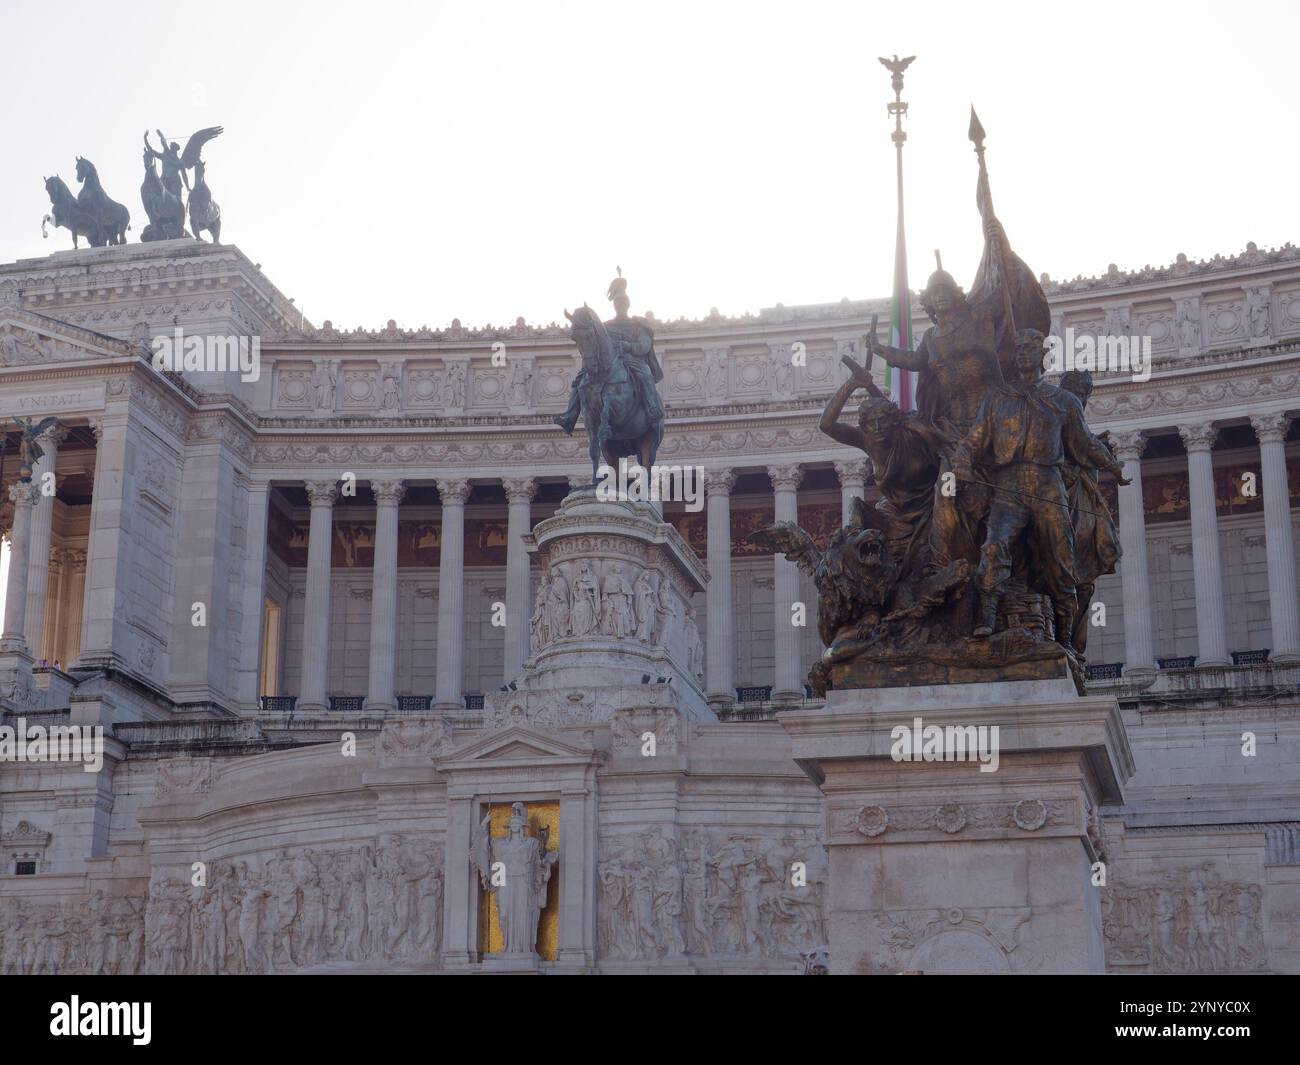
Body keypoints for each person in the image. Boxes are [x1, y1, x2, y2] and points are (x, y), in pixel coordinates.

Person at [952, 330, 1129, 648]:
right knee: (993, 547)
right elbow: (975, 439)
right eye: (1017, 348)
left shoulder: (1063, 401)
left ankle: (1064, 634)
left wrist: (1115, 468)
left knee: (1061, 560)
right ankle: (987, 617)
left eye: (1028, 348)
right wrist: (963, 461)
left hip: (1048, 485)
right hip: (1008, 486)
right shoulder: (997, 399)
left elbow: (1085, 443)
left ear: (1042, 356)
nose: (1021, 354)